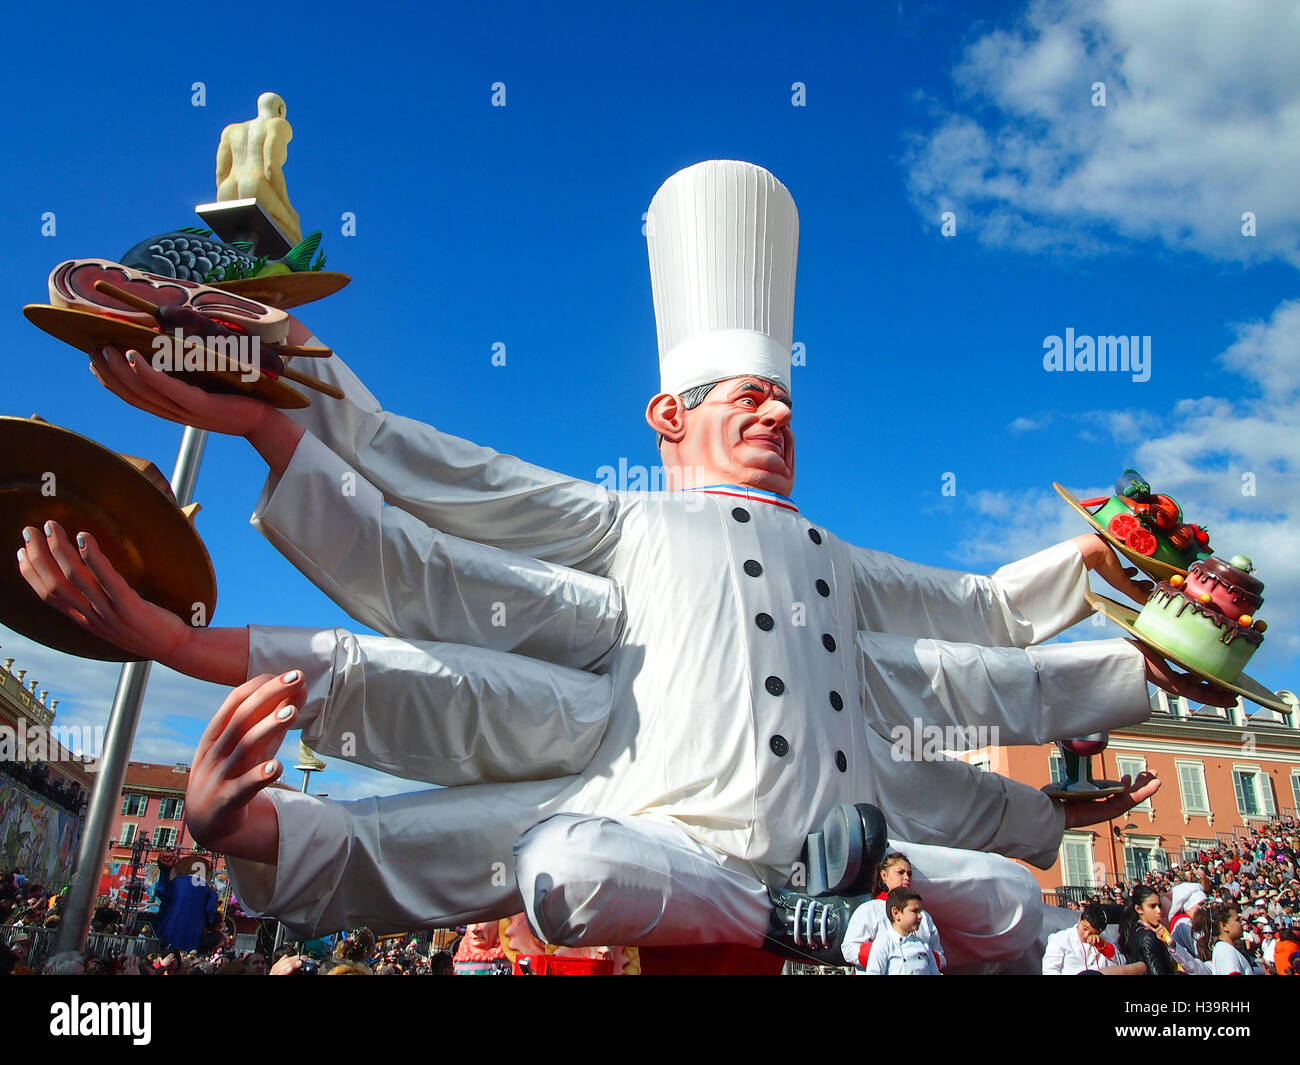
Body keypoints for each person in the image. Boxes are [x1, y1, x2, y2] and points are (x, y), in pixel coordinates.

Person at [19, 160, 1227, 968]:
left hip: (875, 856)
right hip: (665, 870)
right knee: (564, 862)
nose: (772, 417)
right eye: (742, 398)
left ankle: (845, 912)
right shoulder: (627, 526)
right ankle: (807, 917)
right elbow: (434, 529)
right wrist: (279, 418)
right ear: (667, 417)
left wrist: (1123, 616)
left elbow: (979, 641)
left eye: (783, 403)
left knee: (1024, 906)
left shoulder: (842, 562)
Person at [842, 852, 944, 971]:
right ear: (884, 875)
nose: (906, 878)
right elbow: (849, 949)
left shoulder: (924, 917)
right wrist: (884, 953)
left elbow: (940, 956)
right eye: (900, 872)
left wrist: (919, 956)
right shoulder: (869, 910)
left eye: (909, 874)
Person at [1042, 903, 1143, 974]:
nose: (1086, 935)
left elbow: (1122, 964)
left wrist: (1103, 947)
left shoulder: (1104, 940)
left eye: (1093, 933)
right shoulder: (1060, 939)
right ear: (1080, 918)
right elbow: (1050, 971)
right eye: (1084, 928)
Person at [861, 888, 940, 975]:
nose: (920, 916)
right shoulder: (883, 944)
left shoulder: (924, 946)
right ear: (896, 913)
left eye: (920, 911)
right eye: (915, 911)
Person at [1118, 886, 1179, 976]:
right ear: (1139, 909)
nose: (1159, 911)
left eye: (1159, 906)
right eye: (1152, 906)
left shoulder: (1134, 930)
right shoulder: (1148, 936)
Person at [1197, 902, 1258, 975]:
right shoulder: (1226, 951)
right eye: (1237, 920)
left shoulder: (1224, 949)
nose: (1241, 923)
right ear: (1224, 926)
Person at [1169, 881, 1206, 957]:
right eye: (1200, 904)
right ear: (1189, 907)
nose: (1204, 908)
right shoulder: (1185, 923)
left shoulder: (1191, 921)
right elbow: (1199, 950)